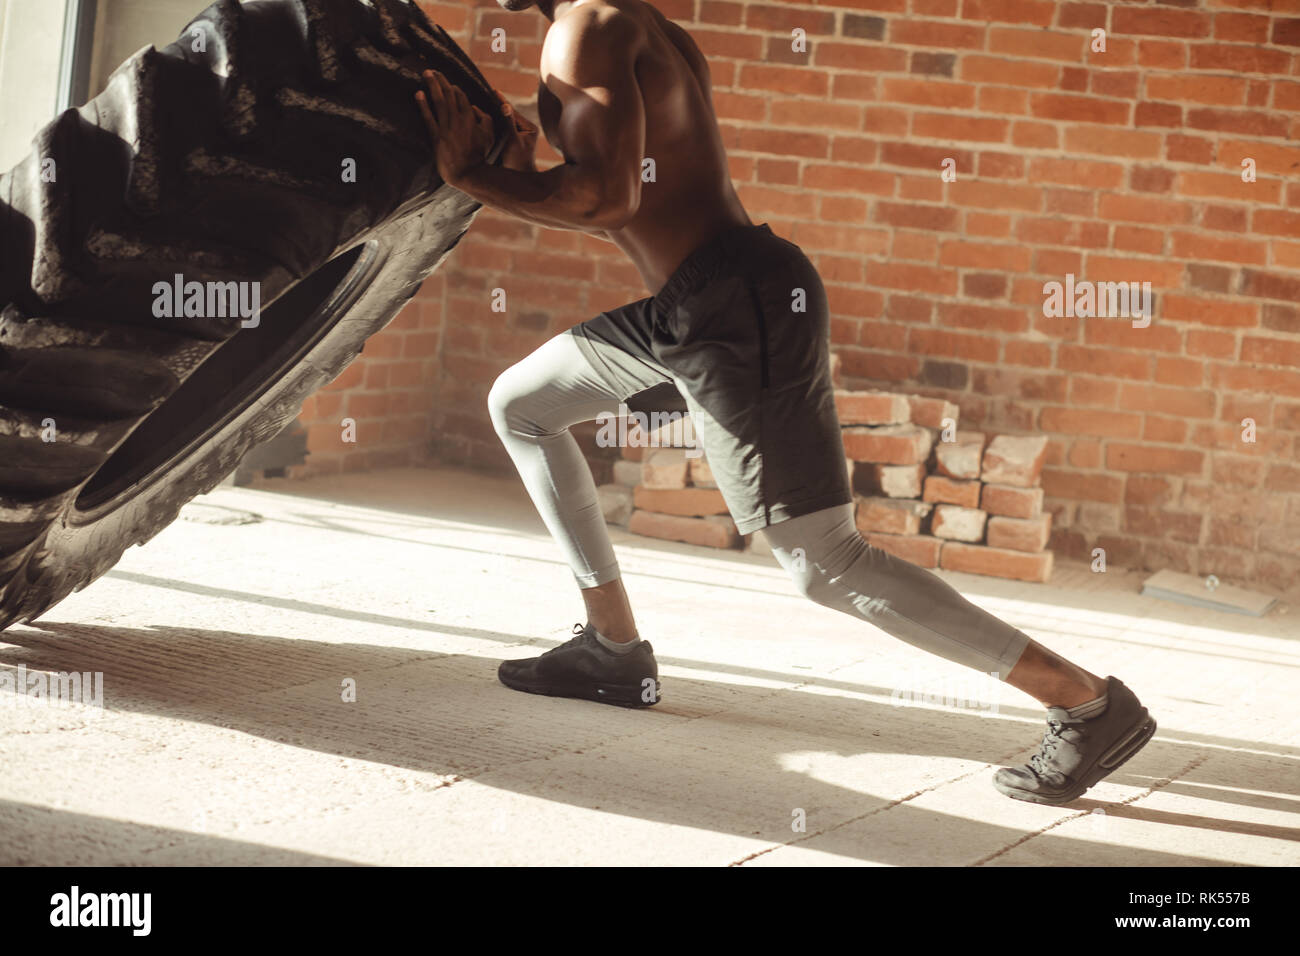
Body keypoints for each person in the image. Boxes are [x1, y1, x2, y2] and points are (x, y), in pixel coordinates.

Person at [414, 0, 1156, 806]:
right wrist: (522, 170)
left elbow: (606, 203)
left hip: (735, 304)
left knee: (825, 565)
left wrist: (476, 176)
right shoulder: (631, 23)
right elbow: (637, 199)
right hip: (694, 302)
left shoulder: (587, 28)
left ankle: (1085, 702)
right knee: (522, 404)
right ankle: (611, 650)